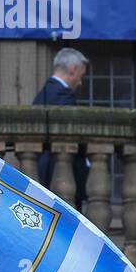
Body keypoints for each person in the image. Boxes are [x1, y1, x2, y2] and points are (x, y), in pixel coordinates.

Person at [33, 47, 90, 204]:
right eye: (81, 76)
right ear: (73, 69)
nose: (80, 82)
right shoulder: (64, 97)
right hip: (63, 177)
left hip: (43, 173)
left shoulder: (40, 96)